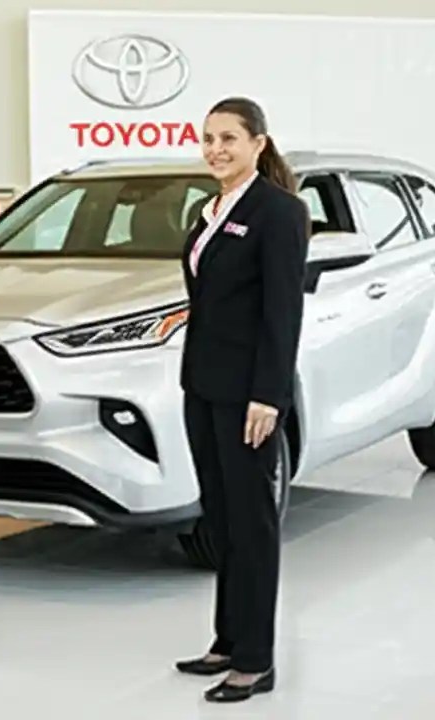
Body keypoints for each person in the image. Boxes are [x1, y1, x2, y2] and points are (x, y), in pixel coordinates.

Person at [174, 97, 309, 703]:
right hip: (202, 387)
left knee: (252, 525)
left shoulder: (279, 212)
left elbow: (283, 312)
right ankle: (227, 641)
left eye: (229, 138)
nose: (216, 149)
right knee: (222, 519)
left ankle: (255, 660)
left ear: (258, 143)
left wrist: (267, 396)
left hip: (247, 395)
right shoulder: (207, 210)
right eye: (208, 139)